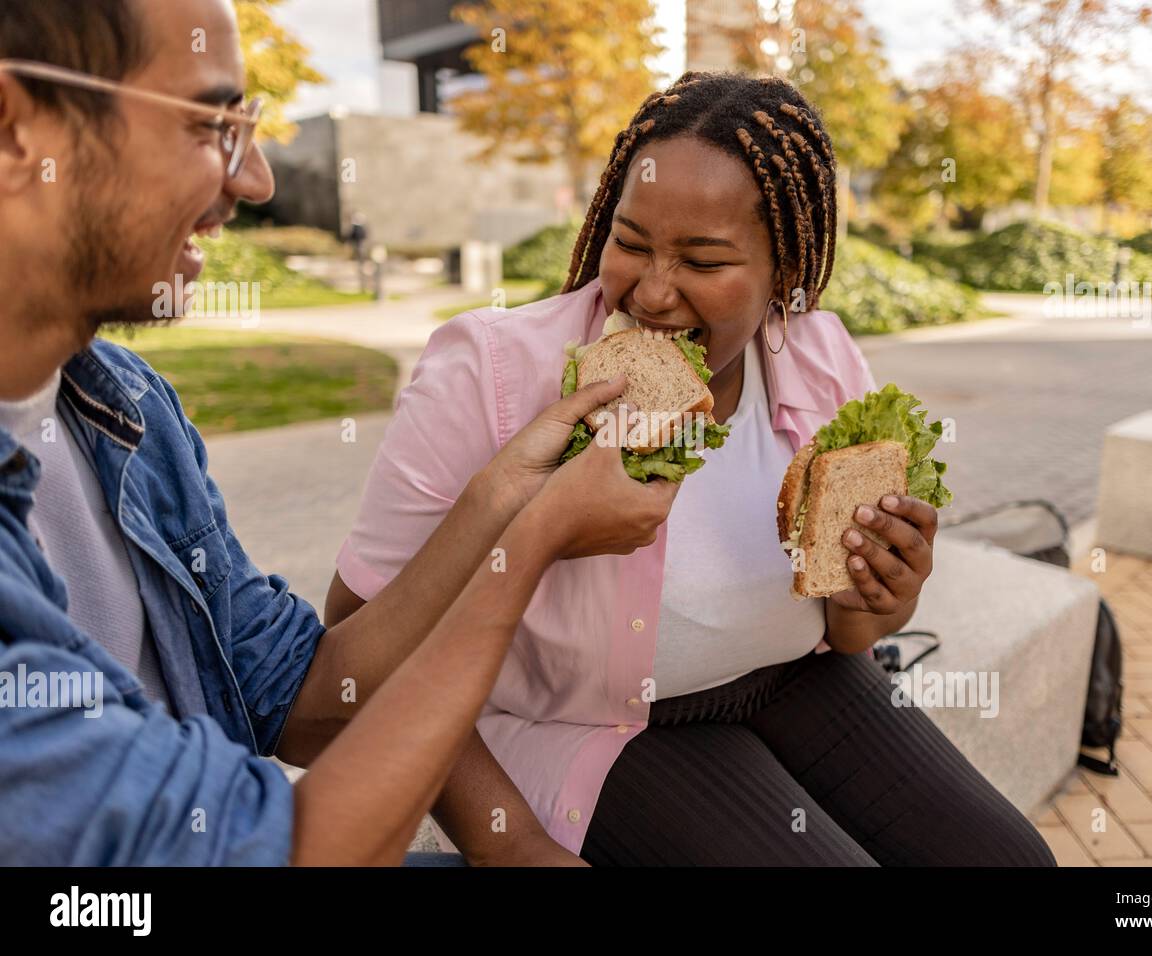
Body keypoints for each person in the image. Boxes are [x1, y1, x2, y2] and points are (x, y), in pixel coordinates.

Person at [0, 0, 675, 866]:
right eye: (212, 125)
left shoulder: (125, 409)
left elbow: (306, 697)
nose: (255, 183)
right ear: (19, 130)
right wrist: (538, 539)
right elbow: (289, 852)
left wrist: (501, 501)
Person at [329, 72, 1058, 866]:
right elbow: (353, 633)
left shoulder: (821, 356)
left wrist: (881, 597)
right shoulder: (490, 373)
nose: (651, 291)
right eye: (631, 241)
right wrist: (510, 844)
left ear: (785, 274)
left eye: (704, 261)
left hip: (798, 682)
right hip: (600, 729)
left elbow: (848, 635)